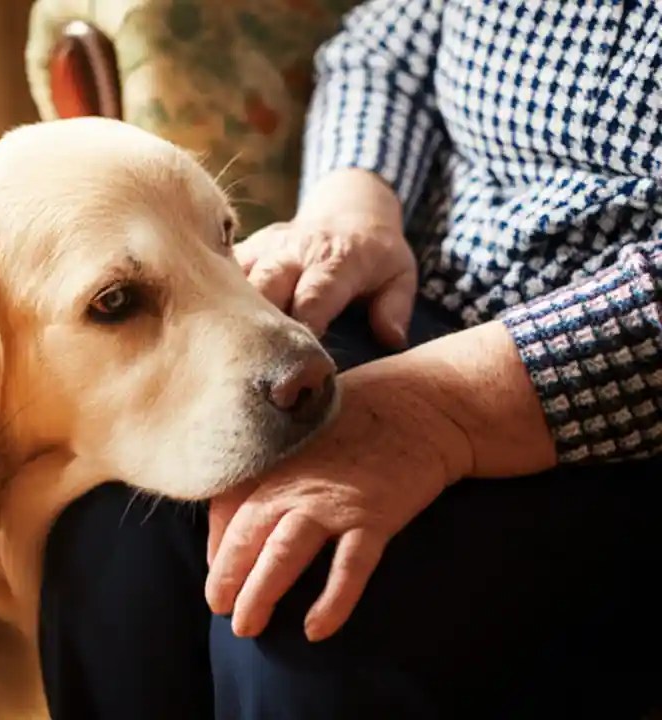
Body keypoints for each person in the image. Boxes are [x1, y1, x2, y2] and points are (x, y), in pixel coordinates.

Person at [37, 1, 662, 718]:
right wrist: (353, 207)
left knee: (296, 612)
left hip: (619, 396)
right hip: (416, 295)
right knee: (118, 523)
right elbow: (384, 49)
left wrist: (450, 405)